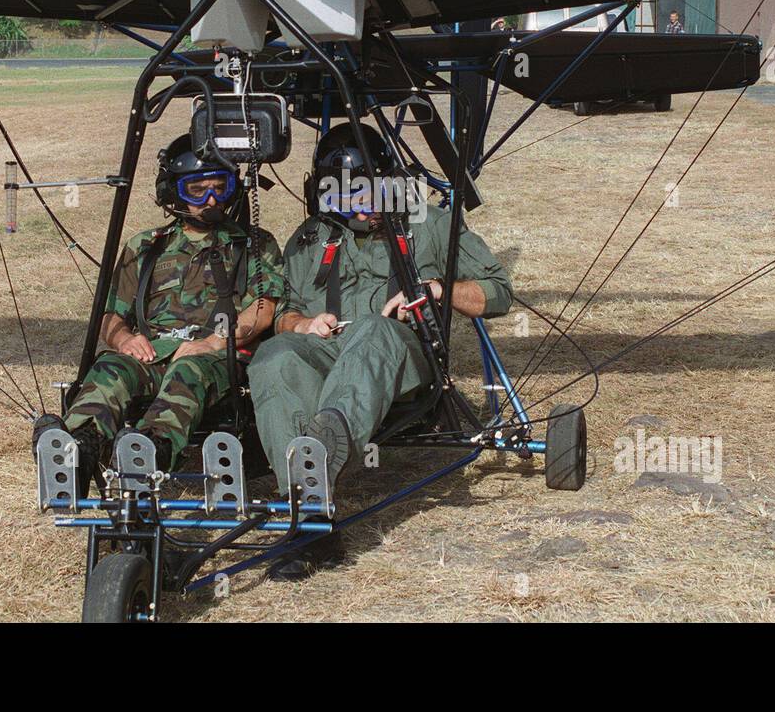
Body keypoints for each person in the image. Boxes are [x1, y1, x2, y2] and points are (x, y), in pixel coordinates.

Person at [248, 121, 512, 579]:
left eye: (368, 192)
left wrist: (435, 289)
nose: (357, 206)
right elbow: (283, 312)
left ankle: (323, 460)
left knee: (375, 330)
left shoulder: (430, 223)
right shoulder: (310, 238)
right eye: (343, 196)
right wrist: (302, 324)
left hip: (404, 352)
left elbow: (499, 292)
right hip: (329, 349)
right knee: (275, 357)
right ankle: (309, 518)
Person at [34, 134, 284, 483]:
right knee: (111, 369)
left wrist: (213, 342)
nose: (211, 199)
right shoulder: (146, 247)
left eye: (220, 187)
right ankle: (77, 448)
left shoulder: (254, 244)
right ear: (172, 193)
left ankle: (149, 449)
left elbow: (263, 309)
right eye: (197, 190)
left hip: (216, 359)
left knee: (188, 372)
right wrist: (123, 340)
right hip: (151, 355)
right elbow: (110, 317)